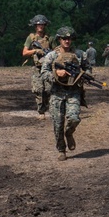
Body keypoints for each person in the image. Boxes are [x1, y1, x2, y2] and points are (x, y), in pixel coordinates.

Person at [40, 27, 90, 161]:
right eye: (64, 38)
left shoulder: (80, 54)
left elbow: (88, 69)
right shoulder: (52, 55)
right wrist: (56, 74)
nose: (67, 41)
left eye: (69, 38)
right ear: (59, 39)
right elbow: (43, 73)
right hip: (56, 93)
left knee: (74, 118)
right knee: (58, 124)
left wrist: (84, 75)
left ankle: (69, 133)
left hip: (74, 92)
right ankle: (61, 150)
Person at [21, 14, 53, 116]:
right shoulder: (31, 38)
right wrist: (35, 51)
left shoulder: (50, 38)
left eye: (42, 24)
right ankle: (41, 110)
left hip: (48, 67)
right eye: (39, 25)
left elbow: (56, 51)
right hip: (36, 67)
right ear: (35, 26)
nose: (41, 26)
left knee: (48, 89)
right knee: (39, 89)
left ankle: (47, 107)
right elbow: (24, 52)